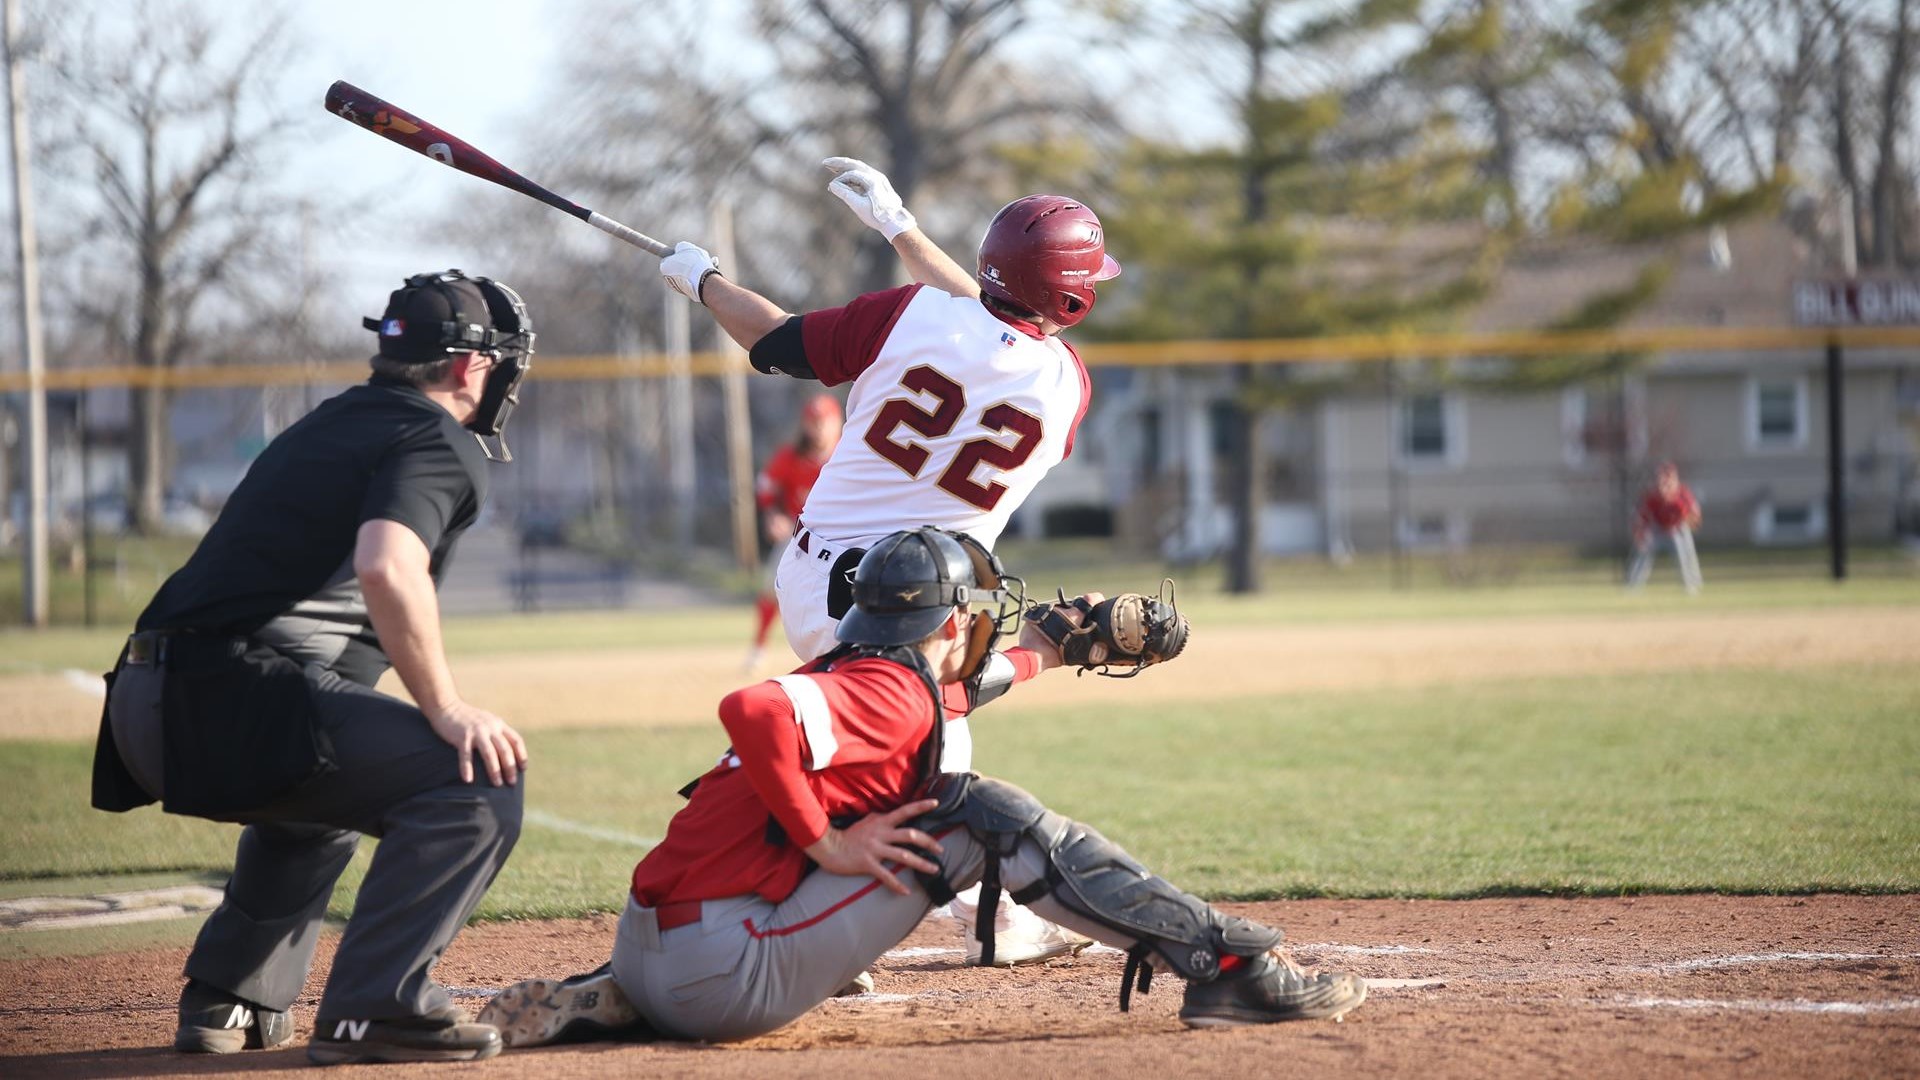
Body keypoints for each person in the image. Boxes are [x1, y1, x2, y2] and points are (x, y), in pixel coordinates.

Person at [478, 528, 1366, 1048]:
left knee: (935, 805)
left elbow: (936, 701)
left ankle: (622, 998)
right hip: (721, 971)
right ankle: (1223, 966)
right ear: (951, 622)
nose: (985, 623)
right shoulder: (886, 696)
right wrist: (827, 843)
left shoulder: (862, 675)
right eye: (976, 612)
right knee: (984, 819)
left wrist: (1052, 649)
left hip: (652, 950)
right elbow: (750, 708)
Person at [657, 156, 1116, 965]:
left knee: (901, 756)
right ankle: (934, 925)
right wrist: (900, 230)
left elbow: (774, 341)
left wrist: (704, 283)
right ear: (1072, 295)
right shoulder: (1065, 386)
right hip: (918, 606)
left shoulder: (912, 313)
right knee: (921, 767)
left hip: (823, 578)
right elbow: (996, 326)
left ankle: (952, 920)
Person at [90, 271, 538, 1065]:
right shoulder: (437, 437)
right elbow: (386, 566)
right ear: (471, 366)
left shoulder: (326, 422)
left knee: (323, 797)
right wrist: (446, 707)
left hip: (141, 701)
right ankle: (379, 1009)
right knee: (476, 781)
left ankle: (233, 997)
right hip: (231, 703)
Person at [746, 393, 844, 671]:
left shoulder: (848, 453)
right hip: (798, 535)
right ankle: (759, 646)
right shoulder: (791, 457)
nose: (819, 427)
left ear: (838, 423)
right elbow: (766, 489)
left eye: (825, 421)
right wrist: (772, 516)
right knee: (771, 587)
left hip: (843, 535)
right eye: (814, 422)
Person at [1628, 462, 1703, 593]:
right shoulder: (1652, 496)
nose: (1664, 484)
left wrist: (1683, 513)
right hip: (1657, 528)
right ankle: (1633, 586)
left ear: (1675, 480)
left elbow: (1696, 521)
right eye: (1661, 479)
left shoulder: (1683, 495)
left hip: (1677, 528)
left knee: (1685, 551)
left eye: (1668, 479)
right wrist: (1640, 535)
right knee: (1644, 549)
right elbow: (1640, 518)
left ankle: (1691, 585)